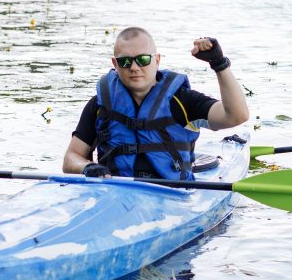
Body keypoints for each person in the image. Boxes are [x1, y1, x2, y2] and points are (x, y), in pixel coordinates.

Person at [63, 27, 250, 180]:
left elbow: (236, 115)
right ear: (115, 64)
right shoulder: (100, 104)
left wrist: (219, 64)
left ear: (157, 60)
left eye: (143, 59)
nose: (134, 68)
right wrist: (87, 167)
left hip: (171, 196)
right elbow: (71, 158)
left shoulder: (182, 100)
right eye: (125, 61)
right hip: (115, 192)